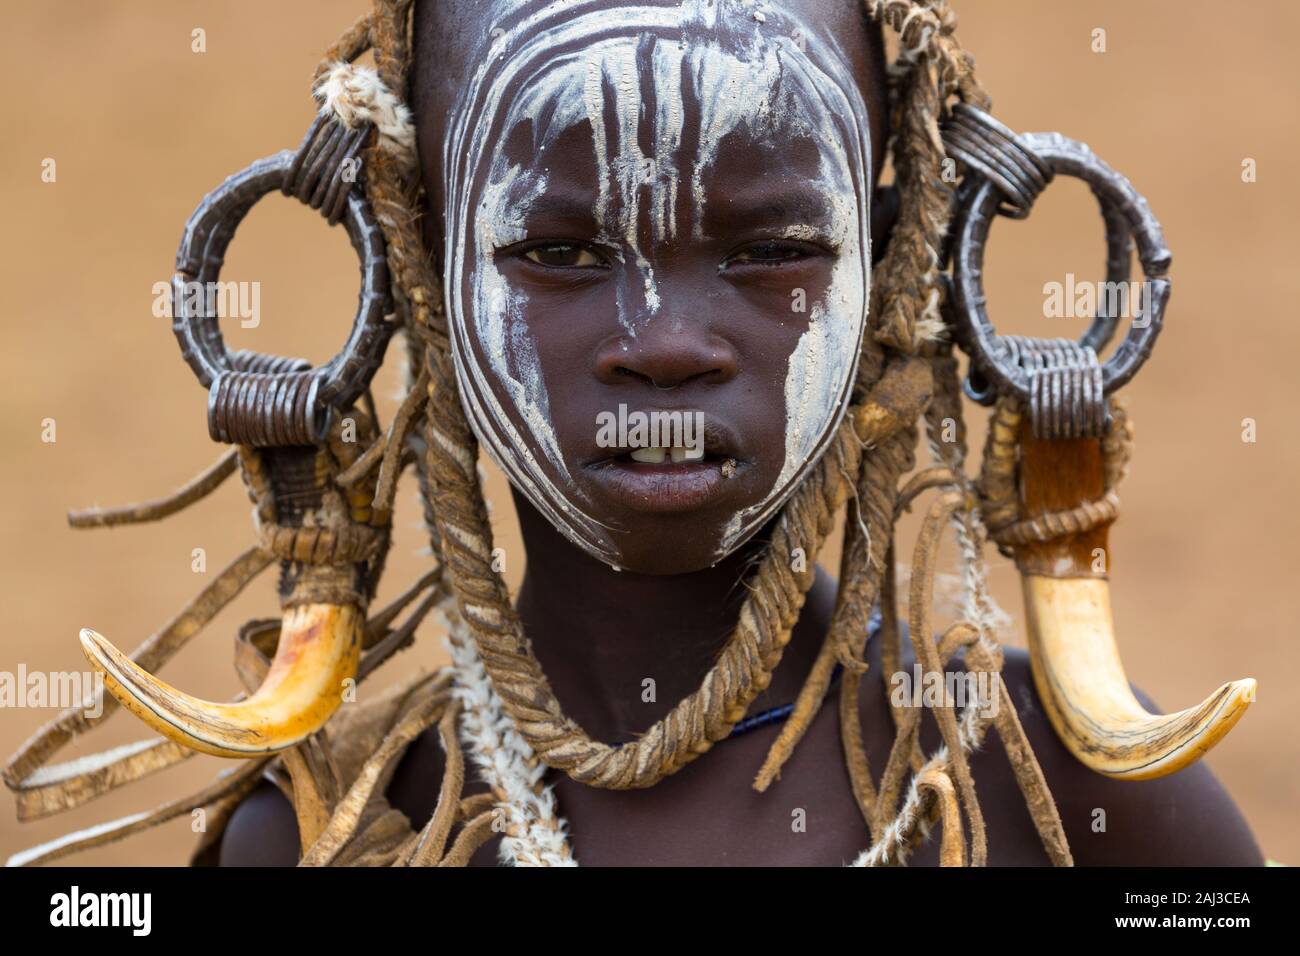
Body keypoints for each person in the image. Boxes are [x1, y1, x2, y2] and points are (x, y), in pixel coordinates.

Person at [203, 0, 1265, 866]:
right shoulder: (331, 833)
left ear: (895, 269)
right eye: (562, 253)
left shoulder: (1061, 801)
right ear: (413, 266)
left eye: (773, 249)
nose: (664, 344)